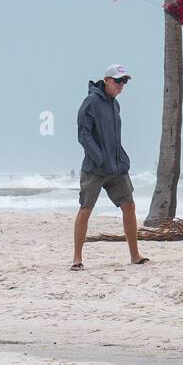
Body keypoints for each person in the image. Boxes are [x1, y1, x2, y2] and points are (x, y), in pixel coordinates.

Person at [72, 64, 148, 270]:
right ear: (106, 80)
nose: (121, 86)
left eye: (124, 82)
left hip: (116, 167)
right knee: (86, 208)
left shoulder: (115, 105)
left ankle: (135, 255)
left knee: (130, 206)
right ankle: (77, 259)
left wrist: (120, 158)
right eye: (118, 81)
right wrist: (99, 157)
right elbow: (83, 134)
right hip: (95, 168)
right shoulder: (90, 102)